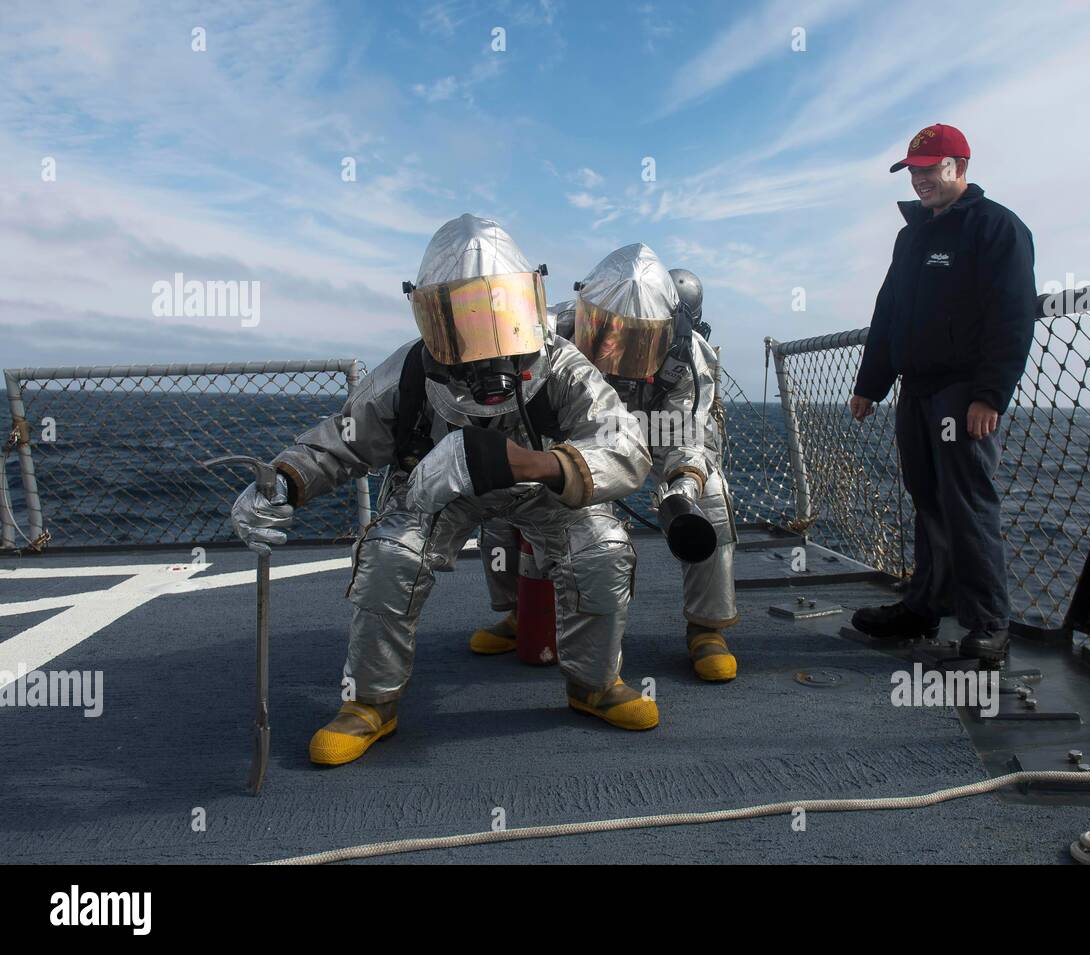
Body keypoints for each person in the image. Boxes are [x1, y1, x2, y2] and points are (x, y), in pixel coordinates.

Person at [229, 213, 657, 767]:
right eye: (466, 317)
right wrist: (282, 482)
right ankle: (370, 704)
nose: (487, 339)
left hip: (538, 483)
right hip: (434, 488)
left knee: (602, 547)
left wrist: (528, 464)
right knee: (390, 555)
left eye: (497, 312)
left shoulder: (562, 368)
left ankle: (594, 684)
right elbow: (341, 440)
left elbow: (626, 448)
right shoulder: (409, 374)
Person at [471, 246, 740, 681]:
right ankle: (521, 613)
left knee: (710, 498)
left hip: (655, 428)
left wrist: (683, 485)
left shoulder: (688, 355)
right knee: (509, 502)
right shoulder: (548, 332)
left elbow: (688, 432)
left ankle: (708, 628)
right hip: (577, 432)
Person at [848, 124, 1036, 668]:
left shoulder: (996, 228)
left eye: (930, 168)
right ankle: (924, 606)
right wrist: (870, 383)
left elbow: (1012, 315)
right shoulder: (912, 237)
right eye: (914, 169)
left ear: (959, 165)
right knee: (926, 498)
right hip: (916, 390)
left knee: (968, 502)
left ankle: (989, 625)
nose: (920, 178)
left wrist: (989, 395)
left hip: (962, 392)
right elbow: (889, 314)